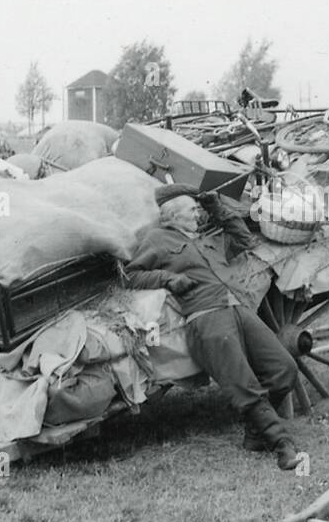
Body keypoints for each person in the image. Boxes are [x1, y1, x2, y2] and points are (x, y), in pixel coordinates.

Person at [125, 184, 304, 470]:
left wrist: (215, 207)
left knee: (284, 368)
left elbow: (244, 239)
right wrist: (168, 279)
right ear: (172, 215)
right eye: (192, 209)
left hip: (236, 308)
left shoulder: (207, 238)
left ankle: (256, 433)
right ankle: (281, 443)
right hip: (205, 318)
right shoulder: (157, 239)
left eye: (198, 209)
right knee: (243, 383)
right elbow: (131, 276)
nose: (197, 213)